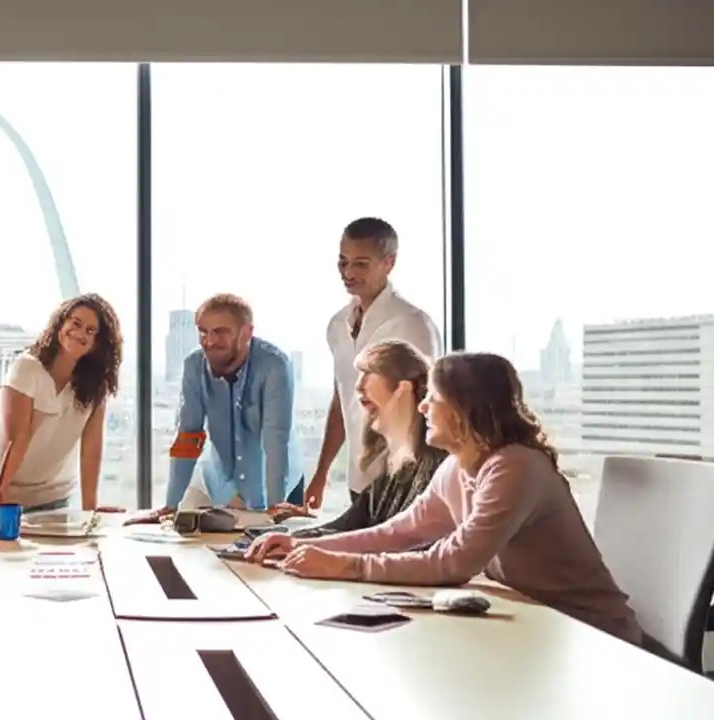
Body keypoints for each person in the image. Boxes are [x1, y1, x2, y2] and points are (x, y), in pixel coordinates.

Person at [248, 352, 644, 645]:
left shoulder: (515, 467)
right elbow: (398, 533)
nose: (422, 407)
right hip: (536, 624)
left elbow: (454, 562)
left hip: (593, 636)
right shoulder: (458, 466)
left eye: (432, 397)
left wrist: (343, 565)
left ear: (463, 408)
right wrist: (303, 544)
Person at [128, 293, 304, 524]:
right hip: (219, 480)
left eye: (220, 332)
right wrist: (171, 506)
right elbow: (188, 435)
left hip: (275, 482)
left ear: (246, 333)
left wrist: (275, 510)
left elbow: (275, 440)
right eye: (203, 332)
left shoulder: (274, 365)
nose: (209, 341)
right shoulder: (194, 366)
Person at [309, 217, 441, 509]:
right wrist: (321, 473)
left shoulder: (412, 324)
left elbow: (428, 406)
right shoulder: (337, 326)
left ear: (389, 262)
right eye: (343, 262)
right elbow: (341, 400)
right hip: (359, 480)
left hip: (404, 480)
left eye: (361, 263)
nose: (348, 272)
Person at [271, 340, 447, 537]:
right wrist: (293, 538)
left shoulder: (437, 466)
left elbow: (396, 541)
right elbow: (351, 525)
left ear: (403, 388)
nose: (359, 386)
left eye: (369, 374)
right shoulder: (397, 464)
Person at [0, 294, 125, 513]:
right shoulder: (27, 368)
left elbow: (91, 448)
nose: (80, 333)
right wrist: (0, 497)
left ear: (97, 344)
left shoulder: (96, 385)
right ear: (61, 323)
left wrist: (91, 510)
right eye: (75, 323)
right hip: (6, 498)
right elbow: (16, 439)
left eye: (90, 331)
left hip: (55, 500)